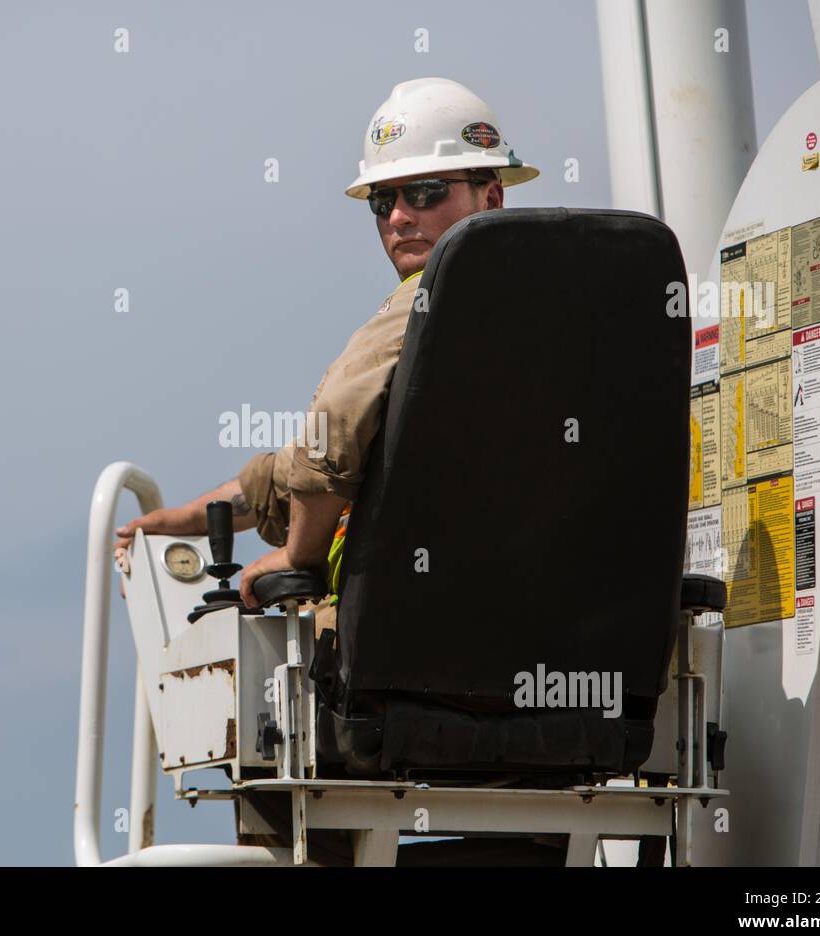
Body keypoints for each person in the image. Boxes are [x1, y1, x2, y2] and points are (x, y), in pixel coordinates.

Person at [115, 77, 538, 631]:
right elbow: (294, 470)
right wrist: (182, 521)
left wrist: (299, 556)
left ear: (492, 197)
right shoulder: (582, 302)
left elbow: (334, 426)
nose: (399, 218)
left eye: (427, 191)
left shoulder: (432, 298)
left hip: (416, 643)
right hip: (596, 639)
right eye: (384, 201)